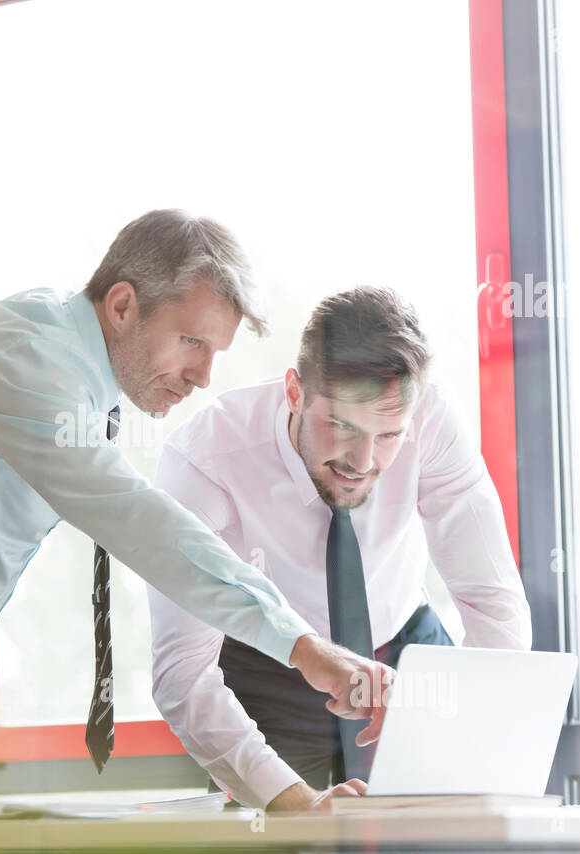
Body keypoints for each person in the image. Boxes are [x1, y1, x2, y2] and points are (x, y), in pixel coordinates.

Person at [0, 210, 388, 803]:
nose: (203, 376)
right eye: (191, 342)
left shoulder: (69, 354)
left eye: (216, 353)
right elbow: (140, 522)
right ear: (124, 305)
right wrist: (303, 646)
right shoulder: (33, 365)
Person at [148, 285, 532, 810]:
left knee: (448, 838)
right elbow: (183, 675)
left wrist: (473, 732)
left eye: (389, 435)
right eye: (342, 426)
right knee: (279, 849)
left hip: (402, 644)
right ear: (294, 393)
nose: (362, 461)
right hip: (268, 671)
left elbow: (491, 599)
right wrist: (292, 803)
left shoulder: (435, 417)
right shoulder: (205, 459)